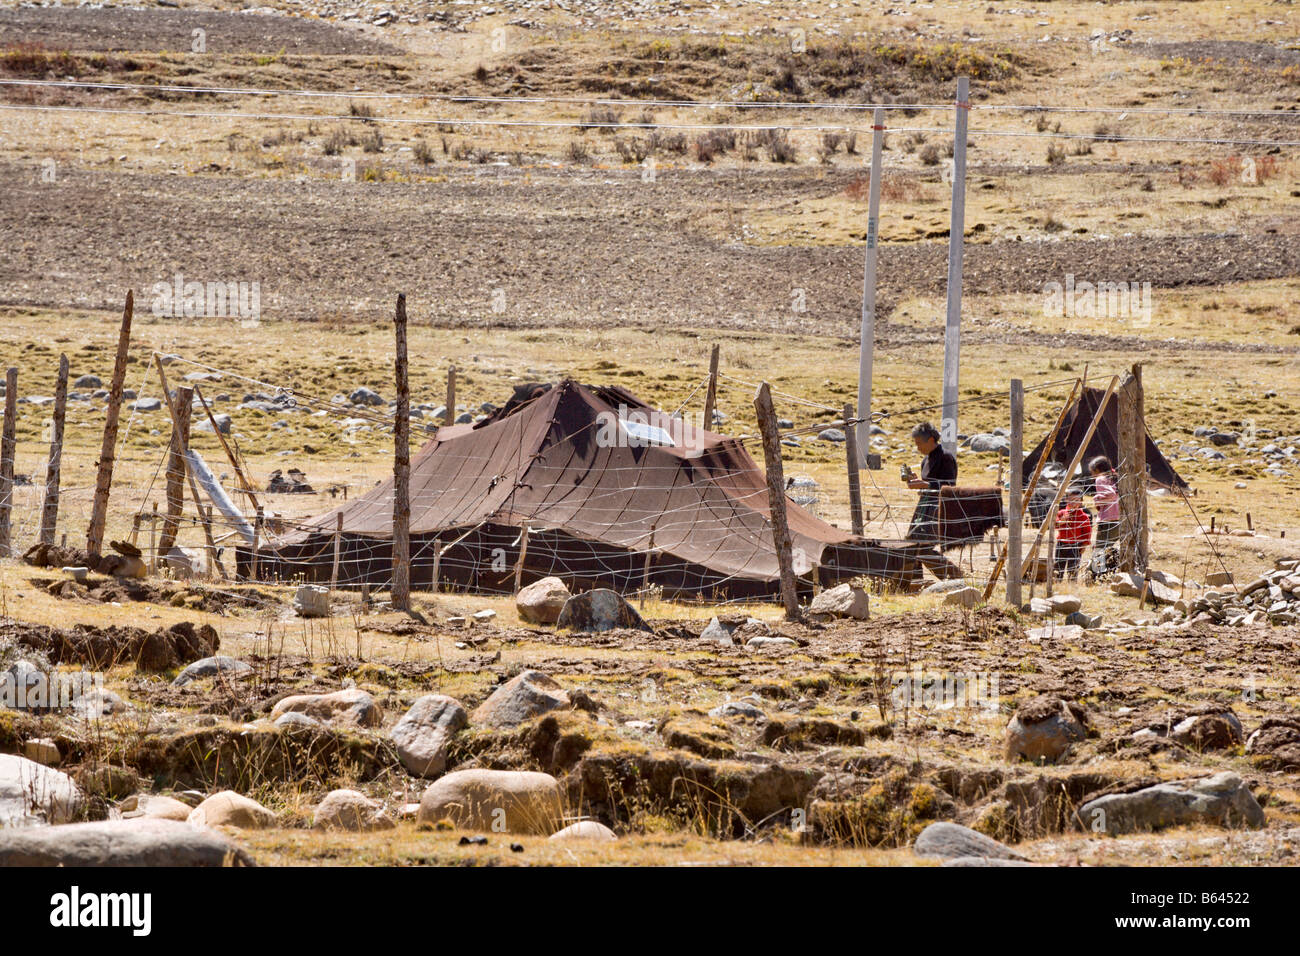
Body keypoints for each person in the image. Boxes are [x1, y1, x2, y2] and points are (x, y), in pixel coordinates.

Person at [903, 422, 957, 543]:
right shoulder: (926, 460)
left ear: (931, 440)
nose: (918, 448)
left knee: (924, 546)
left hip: (938, 509)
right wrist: (915, 481)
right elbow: (928, 483)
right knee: (915, 542)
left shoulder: (946, 457)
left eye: (919, 444)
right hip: (924, 507)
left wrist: (925, 485)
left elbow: (950, 487)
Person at [1054, 485, 1093, 581]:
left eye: (1077, 500)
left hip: (1076, 545)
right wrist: (1062, 521)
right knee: (1059, 565)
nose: (1073, 503)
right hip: (1062, 544)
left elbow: (1087, 532)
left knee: (1073, 567)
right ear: (1066, 500)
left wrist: (1084, 544)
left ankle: (1072, 583)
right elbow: (1055, 525)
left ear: (1081, 502)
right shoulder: (1062, 513)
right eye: (1071, 500)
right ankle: (1057, 581)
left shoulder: (1083, 517)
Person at [1089, 455, 1120, 571]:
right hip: (1121, 518)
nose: (1092, 476)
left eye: (1093, 472)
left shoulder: (1101, 479)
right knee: (1110, 549)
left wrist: (1097, 499)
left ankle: (1097, 574)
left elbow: (1111, 495)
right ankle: (1110, 571)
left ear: (1097, 470)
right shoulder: (1116, 477)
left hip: (1108, 519)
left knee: (1100, 550)